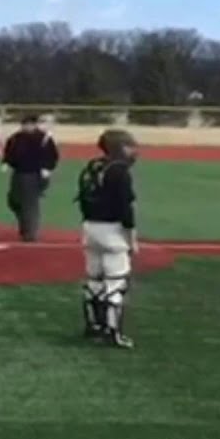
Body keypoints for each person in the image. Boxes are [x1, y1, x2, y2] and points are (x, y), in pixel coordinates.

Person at [76, 129, 140, 349]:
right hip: (112, 229)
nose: (133, 150)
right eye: (130, 146)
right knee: (115, 282)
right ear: (120, 147)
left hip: (90, 226)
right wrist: (132, 238)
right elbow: (125, 208)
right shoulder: (120, 171)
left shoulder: (93, 166)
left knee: (94, 278)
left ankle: (94, 324)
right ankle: (113, 331)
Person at [1, 114, 60, 242]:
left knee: (30, 203)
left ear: (34, 125)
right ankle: (25, 226)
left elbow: (52, 155)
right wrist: (6, 162)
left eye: (30, 124)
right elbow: (9, 152)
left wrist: (47, 168)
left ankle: (31, 233)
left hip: (35, 174)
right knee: (14, 201)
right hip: (18, 173)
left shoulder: (44, 138)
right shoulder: (15, 138)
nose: (27, 127)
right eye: (24, 124)